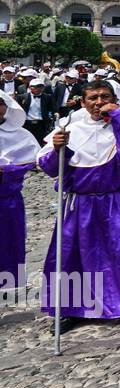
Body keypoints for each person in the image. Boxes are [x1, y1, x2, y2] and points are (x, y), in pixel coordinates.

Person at [38, 80, 120, 333]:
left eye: (105, 96)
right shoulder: (70, 129)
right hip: (80, 203)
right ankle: (71, 307)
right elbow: (49, 168)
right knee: (72, 254)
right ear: (83, 102)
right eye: (93, 98)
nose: (99, 102)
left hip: (116, 201)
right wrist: (57, 149)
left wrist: (119, 117)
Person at [0, 92, 39, 298]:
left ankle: (6, 287)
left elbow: (33, 162)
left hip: (6, 200)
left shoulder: (21, 136)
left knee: (7, 242)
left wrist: (6, 171)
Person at [17, 75, 54, 142]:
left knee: (40, 143)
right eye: (33, 86)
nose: (36, 88)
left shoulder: (48, 97)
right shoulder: (22, 97)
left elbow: (52, 109)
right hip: (27, 124)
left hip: (41, 124)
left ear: (43, 87)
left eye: (39, 86)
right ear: (29, 87)